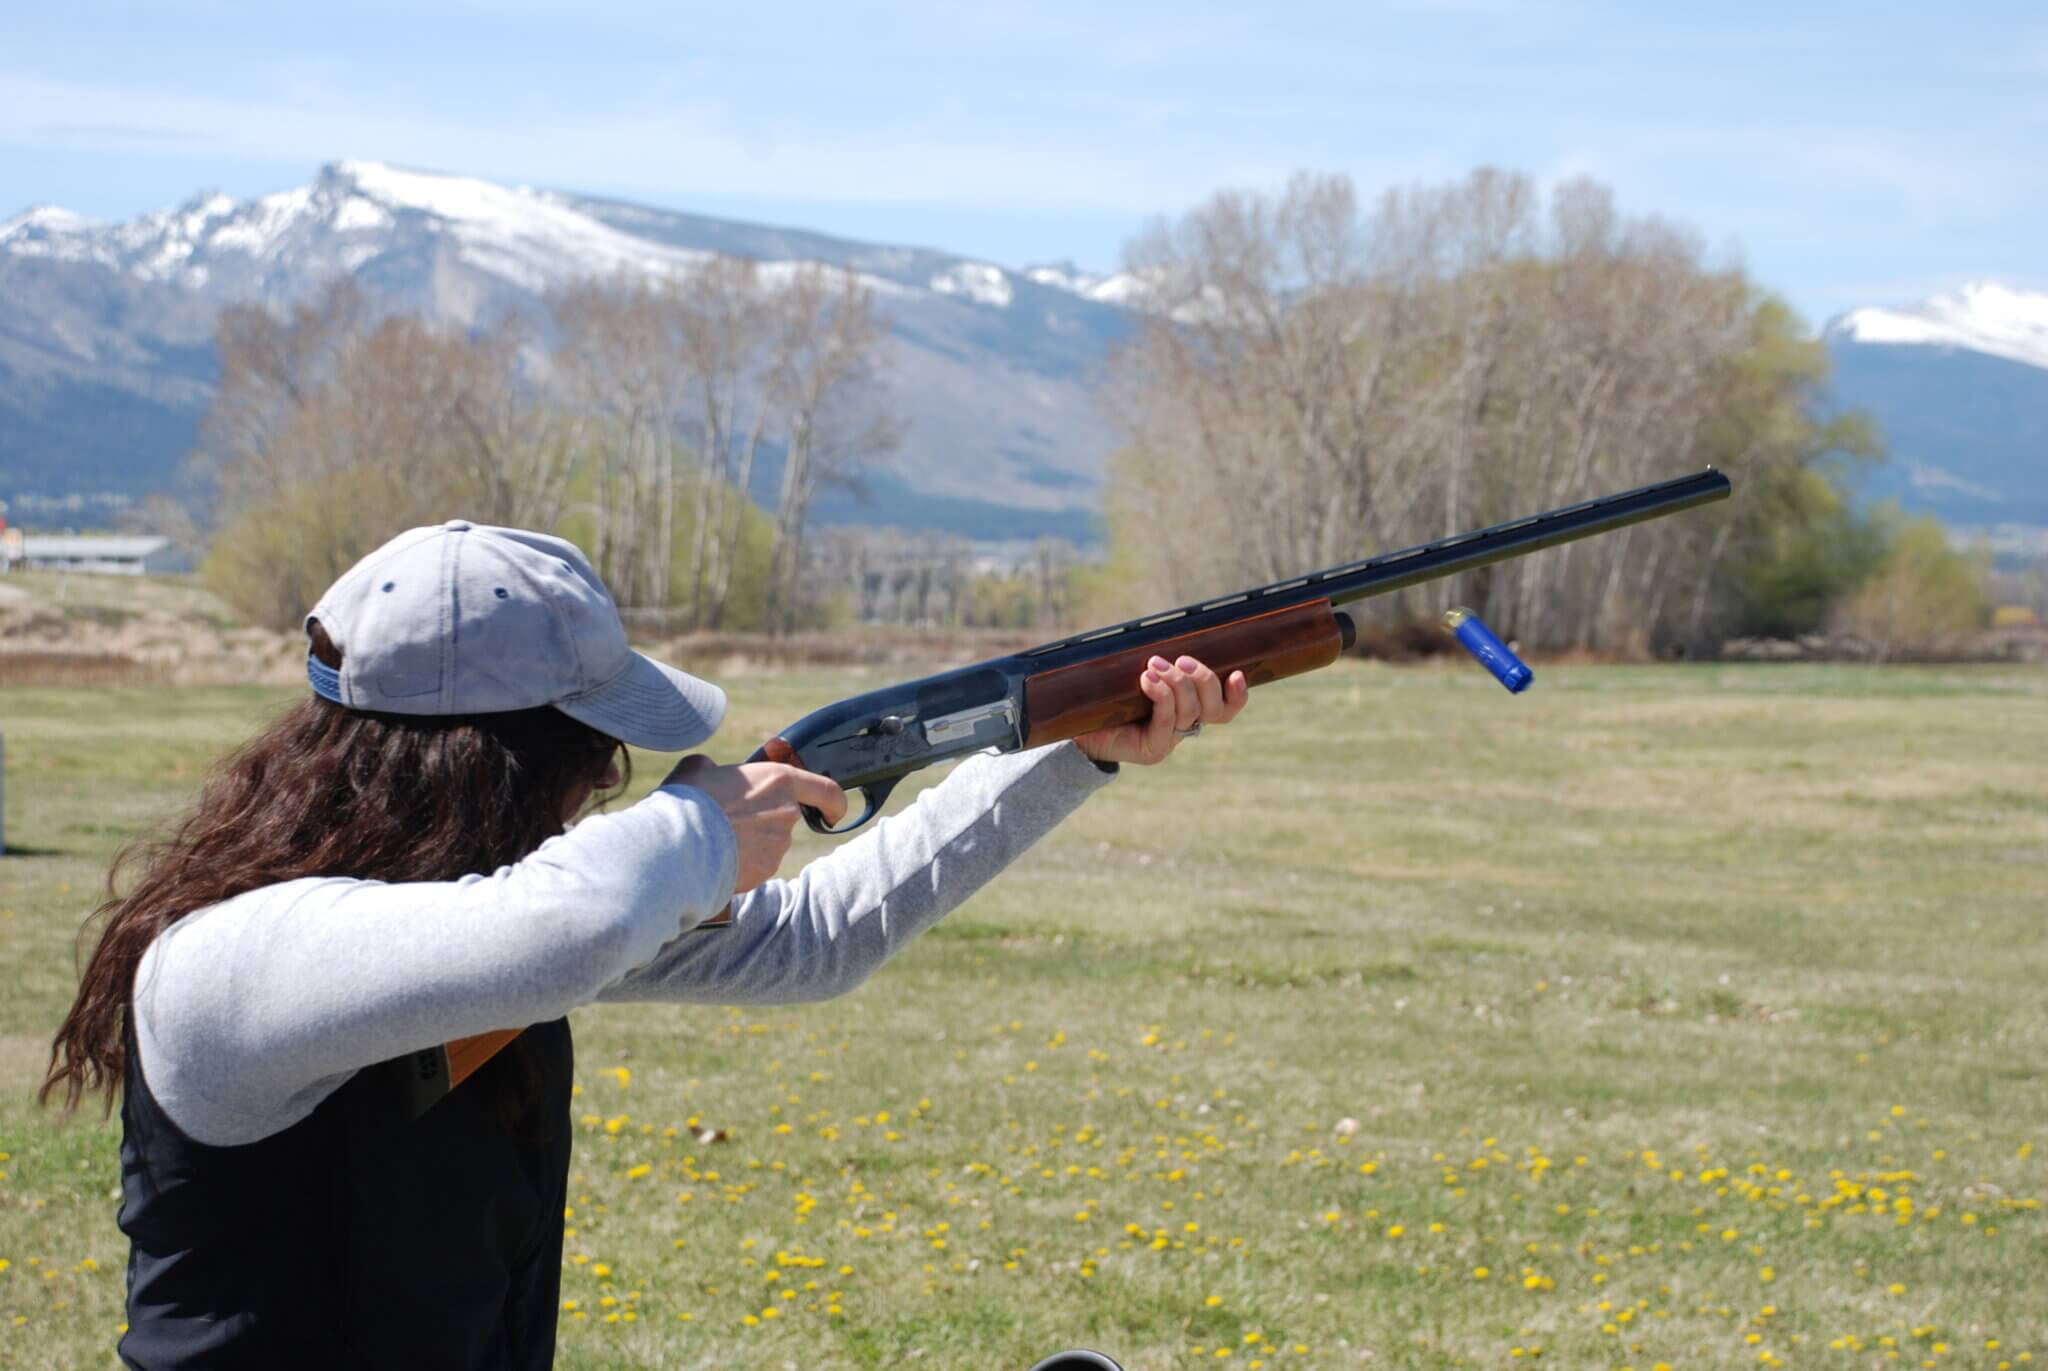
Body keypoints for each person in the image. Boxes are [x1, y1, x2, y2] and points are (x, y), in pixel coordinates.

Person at [39, 520, 1250, 1370]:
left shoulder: (494, 912)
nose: (605, 783)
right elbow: (574, 923)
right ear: (491, 770)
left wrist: (1073, 750)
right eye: (589, 758)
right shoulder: (227, 966)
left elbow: (819, 937)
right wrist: (699, 826)